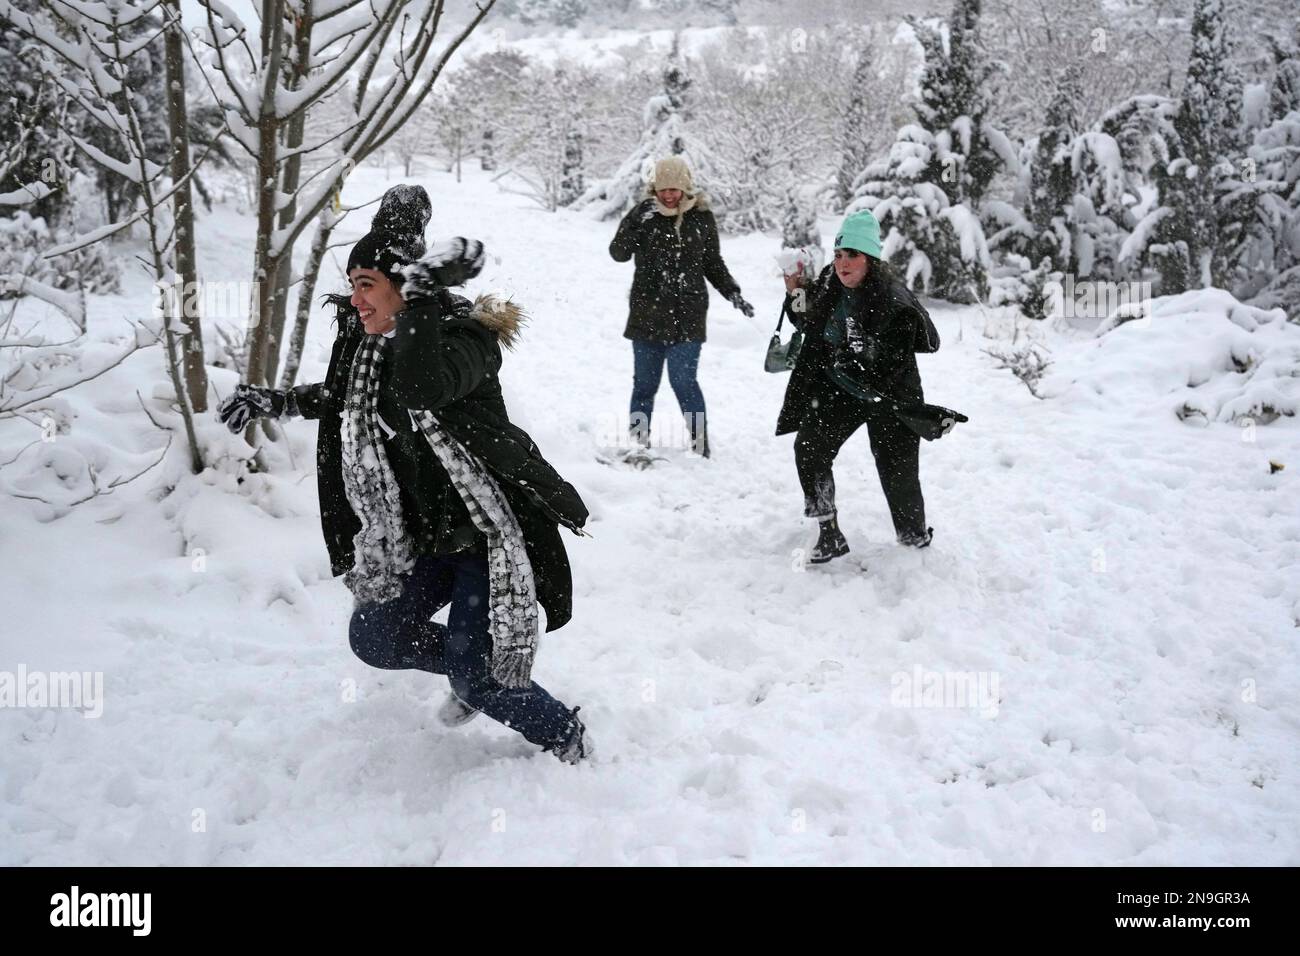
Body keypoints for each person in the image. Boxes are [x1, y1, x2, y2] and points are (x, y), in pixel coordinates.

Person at [217, 184, 595, 764]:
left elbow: (423, 386)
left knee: (476, 681)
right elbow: (340, 397)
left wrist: (421, 298)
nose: (356, 299)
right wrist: (275, 401)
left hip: (490, 538)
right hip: (430, 539)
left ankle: (562, 734)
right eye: (352, 285)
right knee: (375, 634)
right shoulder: (370, 348)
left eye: (367, 285)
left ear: (404, 287)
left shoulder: (469, 340)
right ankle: (476, 663)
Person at [775, 209, 942, 564]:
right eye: (838, 254)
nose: (842, 263)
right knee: (809, 447)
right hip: (842, 391)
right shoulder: (830, 284)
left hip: (890, 396)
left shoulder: (892, 301)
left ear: (870, 259)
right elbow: (806, 320)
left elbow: (890, 366)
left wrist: (853, 358)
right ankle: (828, 532)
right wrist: (795, 293)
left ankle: (914, 542)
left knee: (897, 472)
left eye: (852, 255)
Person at [609, 156, 753, 458]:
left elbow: (712, 263)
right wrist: (635, 220)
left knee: (684, 382)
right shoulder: (645, 216)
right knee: (644, 385)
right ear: (654, 188)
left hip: (688, 316)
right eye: (663, 189)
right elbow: (618, 253)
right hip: (647, 314)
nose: (669, 195)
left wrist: (732, 292)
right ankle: (638, 441)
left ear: (685, 187)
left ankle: (700, 444)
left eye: (674, 189)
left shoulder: (701, 217)